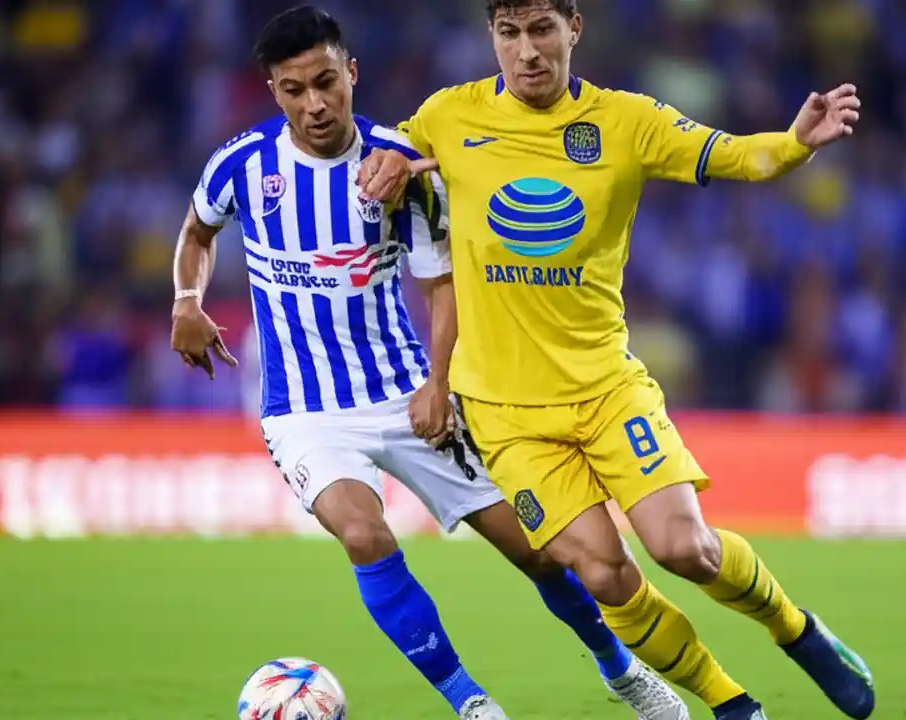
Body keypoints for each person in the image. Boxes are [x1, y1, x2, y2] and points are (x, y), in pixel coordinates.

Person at [357, 1, 875, 718]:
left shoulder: (627, 121)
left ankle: (797, 630)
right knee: (603, 574)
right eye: (509, 34)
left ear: (575, 29)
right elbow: (383, 150)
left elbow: (736, 155)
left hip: (605, 387)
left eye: (542, 30)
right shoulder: (449, 116)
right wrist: (383, 160)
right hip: (507, 416)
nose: (527, 51)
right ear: (492, 39)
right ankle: (732, 704)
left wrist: (793, 144)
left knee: (683, 547)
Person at [169, 6, 687, 720]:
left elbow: (440, 284)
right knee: (364, 533)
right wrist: (185, 301)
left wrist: (440, 384)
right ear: (273, 91)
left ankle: (621, 669)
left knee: (539, 551)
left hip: (410, 394)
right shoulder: (242, 165)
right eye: (294, 90)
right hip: (308, 412)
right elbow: (198, 230)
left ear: (351, 73)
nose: (314, 104)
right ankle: (472, 704)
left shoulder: (396, 165)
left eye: (325, 82)